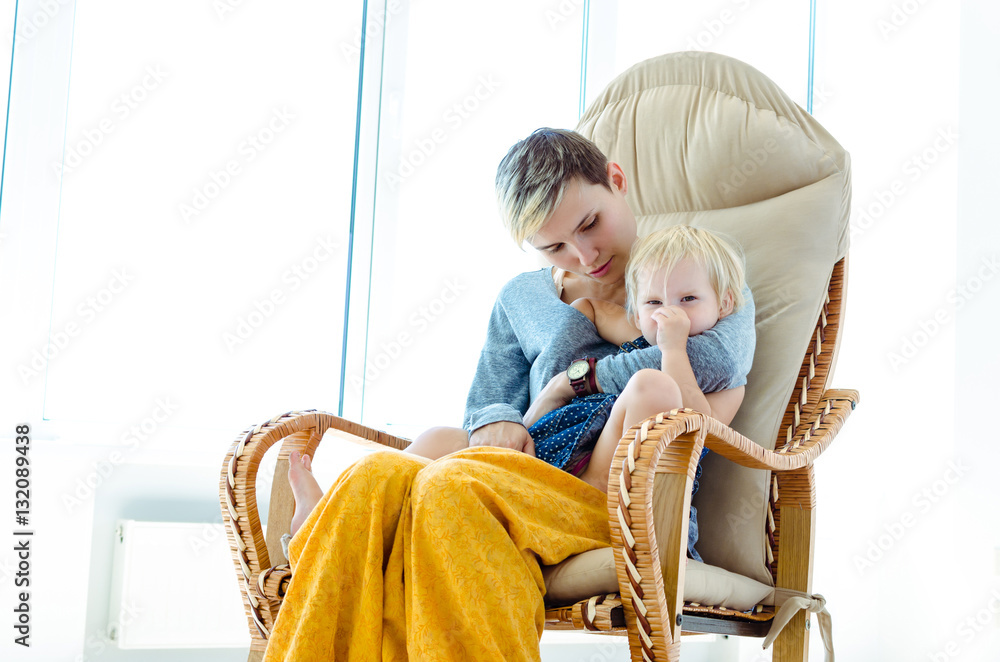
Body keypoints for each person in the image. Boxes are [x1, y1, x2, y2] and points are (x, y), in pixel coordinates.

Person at [263, 128, 756, 661]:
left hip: (603, 482)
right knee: (374, 475)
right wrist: (501, 418)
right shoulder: (522, 298)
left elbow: (710, 362)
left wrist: (569, 381)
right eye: (554, 246)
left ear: (616, 181)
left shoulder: (684, 269)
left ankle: (333, 529)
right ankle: (323, 523)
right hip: (529, 455)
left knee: (451, 486)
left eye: (590, 224)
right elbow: (488, 398)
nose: (584, 255)